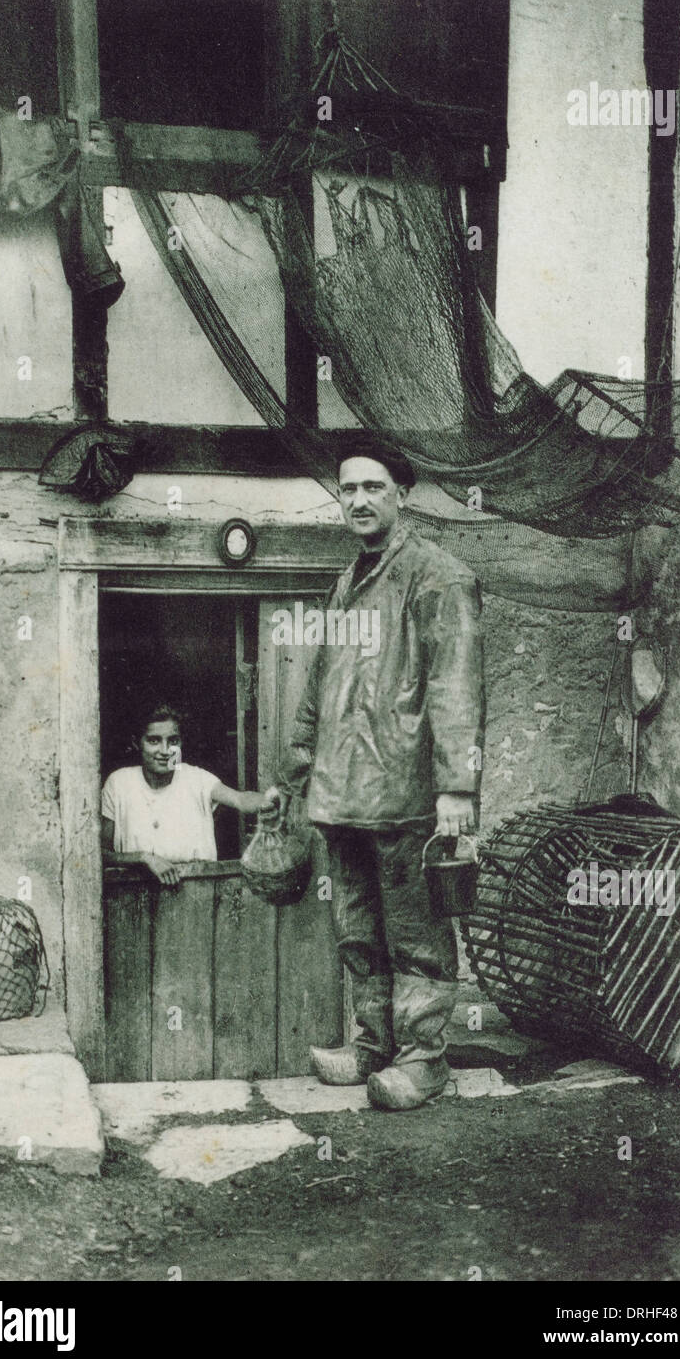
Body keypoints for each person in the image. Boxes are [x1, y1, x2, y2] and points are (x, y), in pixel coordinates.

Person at [266, 443, 485, 1111]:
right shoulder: (345, 584)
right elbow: (317, 690)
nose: (358, 500)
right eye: (347, 489)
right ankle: (372, 1047)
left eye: (372, 487)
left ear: (402, 495)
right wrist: (290, 775)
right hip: (344, 795)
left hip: (409, 798)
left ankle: (423, 1061)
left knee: (415, 937)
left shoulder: (438, 577)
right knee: (358, 932)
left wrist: (456, 789)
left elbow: (456, 688)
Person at [101, 703, 275, 885]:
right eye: (154, 741)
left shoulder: (195, 778)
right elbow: (101, 853)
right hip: (135, 894)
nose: (165, 751)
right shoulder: (120, 783)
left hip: (197, 889)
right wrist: (144, 858)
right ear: (137, 743)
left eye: (173, 741)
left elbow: (240, 798)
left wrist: (270, 801)